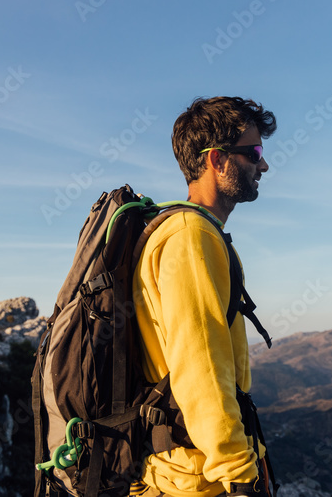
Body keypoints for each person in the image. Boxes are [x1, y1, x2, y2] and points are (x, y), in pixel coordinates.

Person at [131, 96, 277, 497]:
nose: (263, 165)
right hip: (199, 481)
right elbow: (202, 365)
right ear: (217, 160)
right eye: (254, 153)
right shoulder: (191, 237)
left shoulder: (184, 231)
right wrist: (239, 475)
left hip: (193, 470)